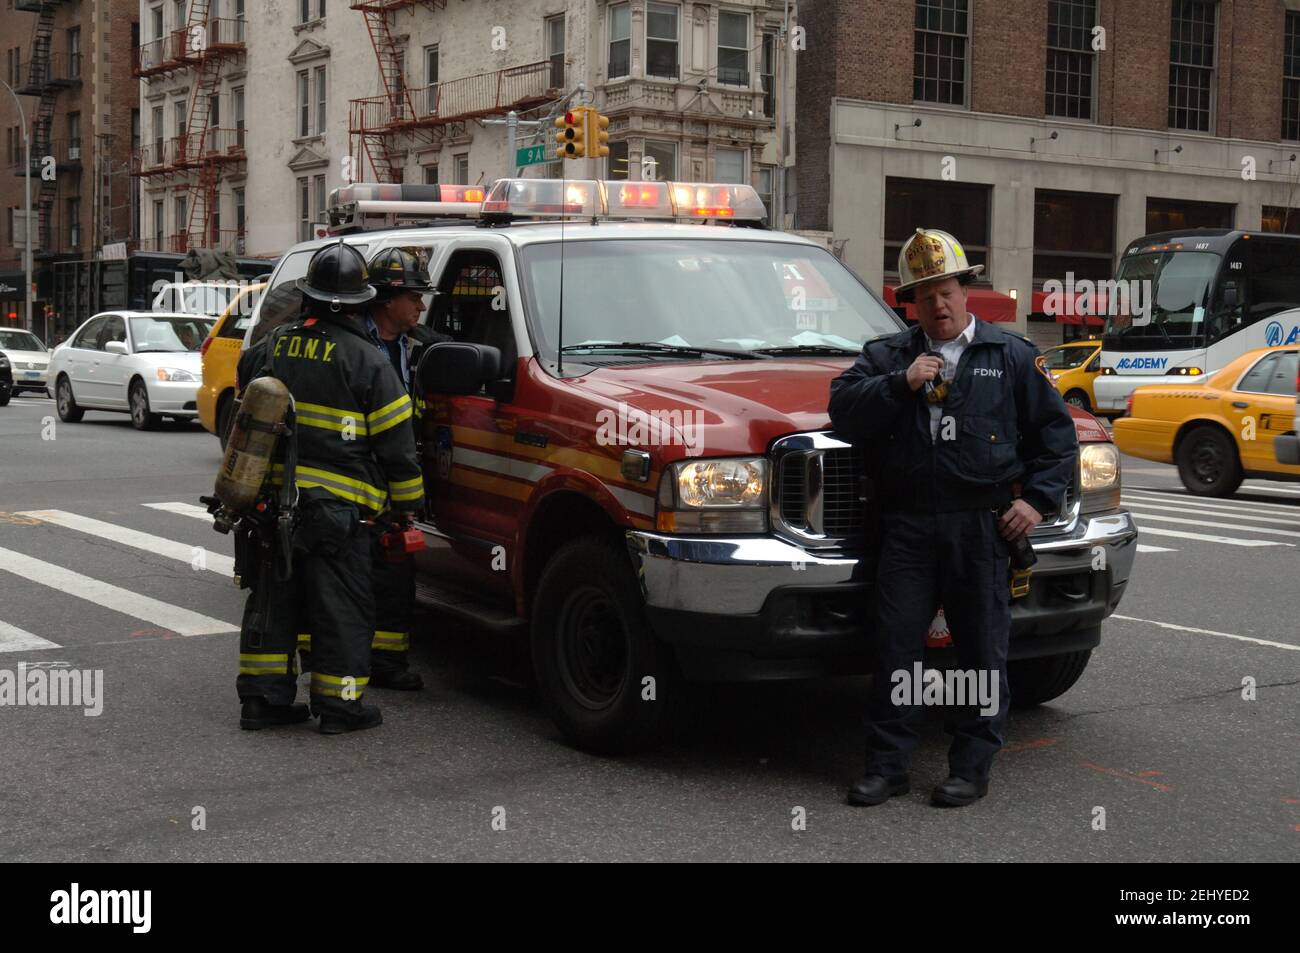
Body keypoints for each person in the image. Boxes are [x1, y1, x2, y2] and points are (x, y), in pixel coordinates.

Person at [828, 228, 1077, 807]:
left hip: (981, 526)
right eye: (924, 295)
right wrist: (899, 383)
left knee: (981, 650)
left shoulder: (1010, 356)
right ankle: (887, 767)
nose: (938, 305)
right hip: (907, 527)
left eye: (946, 291)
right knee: (896, 648)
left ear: (966, 290)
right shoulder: (887, 356)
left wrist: (1035, 502)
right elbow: (842, 410)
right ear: (909, 303)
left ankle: (970, 766)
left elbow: (1057, 440)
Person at [234, 240, 425, 734]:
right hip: (339, 515)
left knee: (274, 600)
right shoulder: (367, 361)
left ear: (309, 297)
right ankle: (340, 707)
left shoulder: (270, 348)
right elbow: (397, 448)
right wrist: (406, 508)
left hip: (271, 505)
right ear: (360, 301)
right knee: (341, 608)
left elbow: (245, 403)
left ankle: (263, 700)